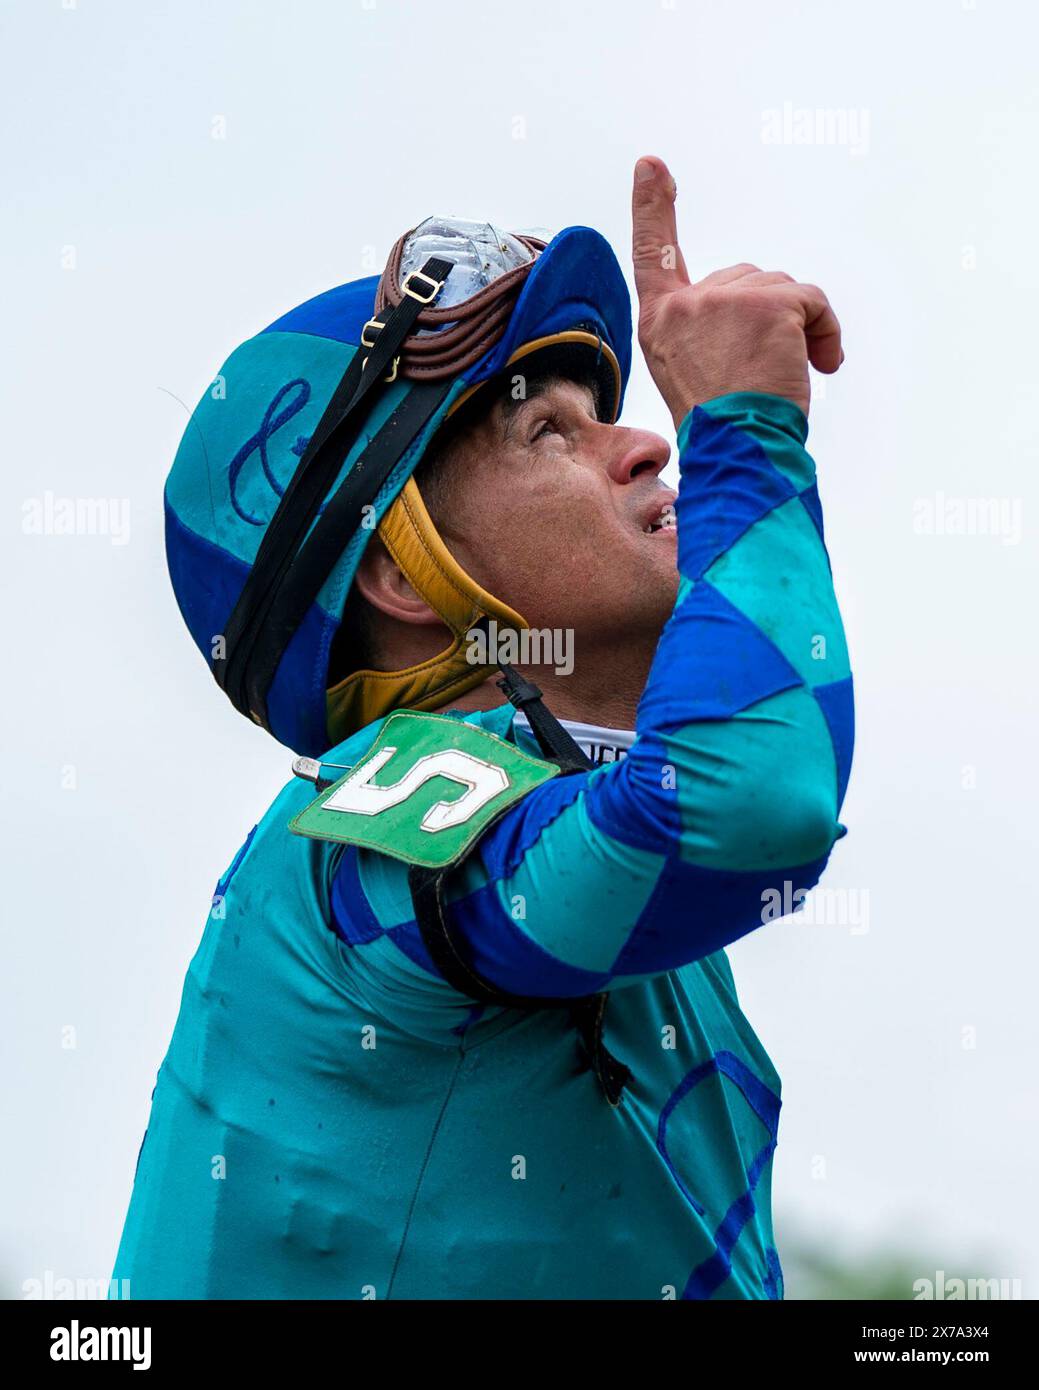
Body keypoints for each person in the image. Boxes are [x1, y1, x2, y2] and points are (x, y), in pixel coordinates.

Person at [112, 155, 853, 1300]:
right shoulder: (367, 822)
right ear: (405, 579)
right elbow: (746, 797)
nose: (645, 443)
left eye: (607, 413)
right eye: (548, 434)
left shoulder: (572, 842)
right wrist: (743, 433)